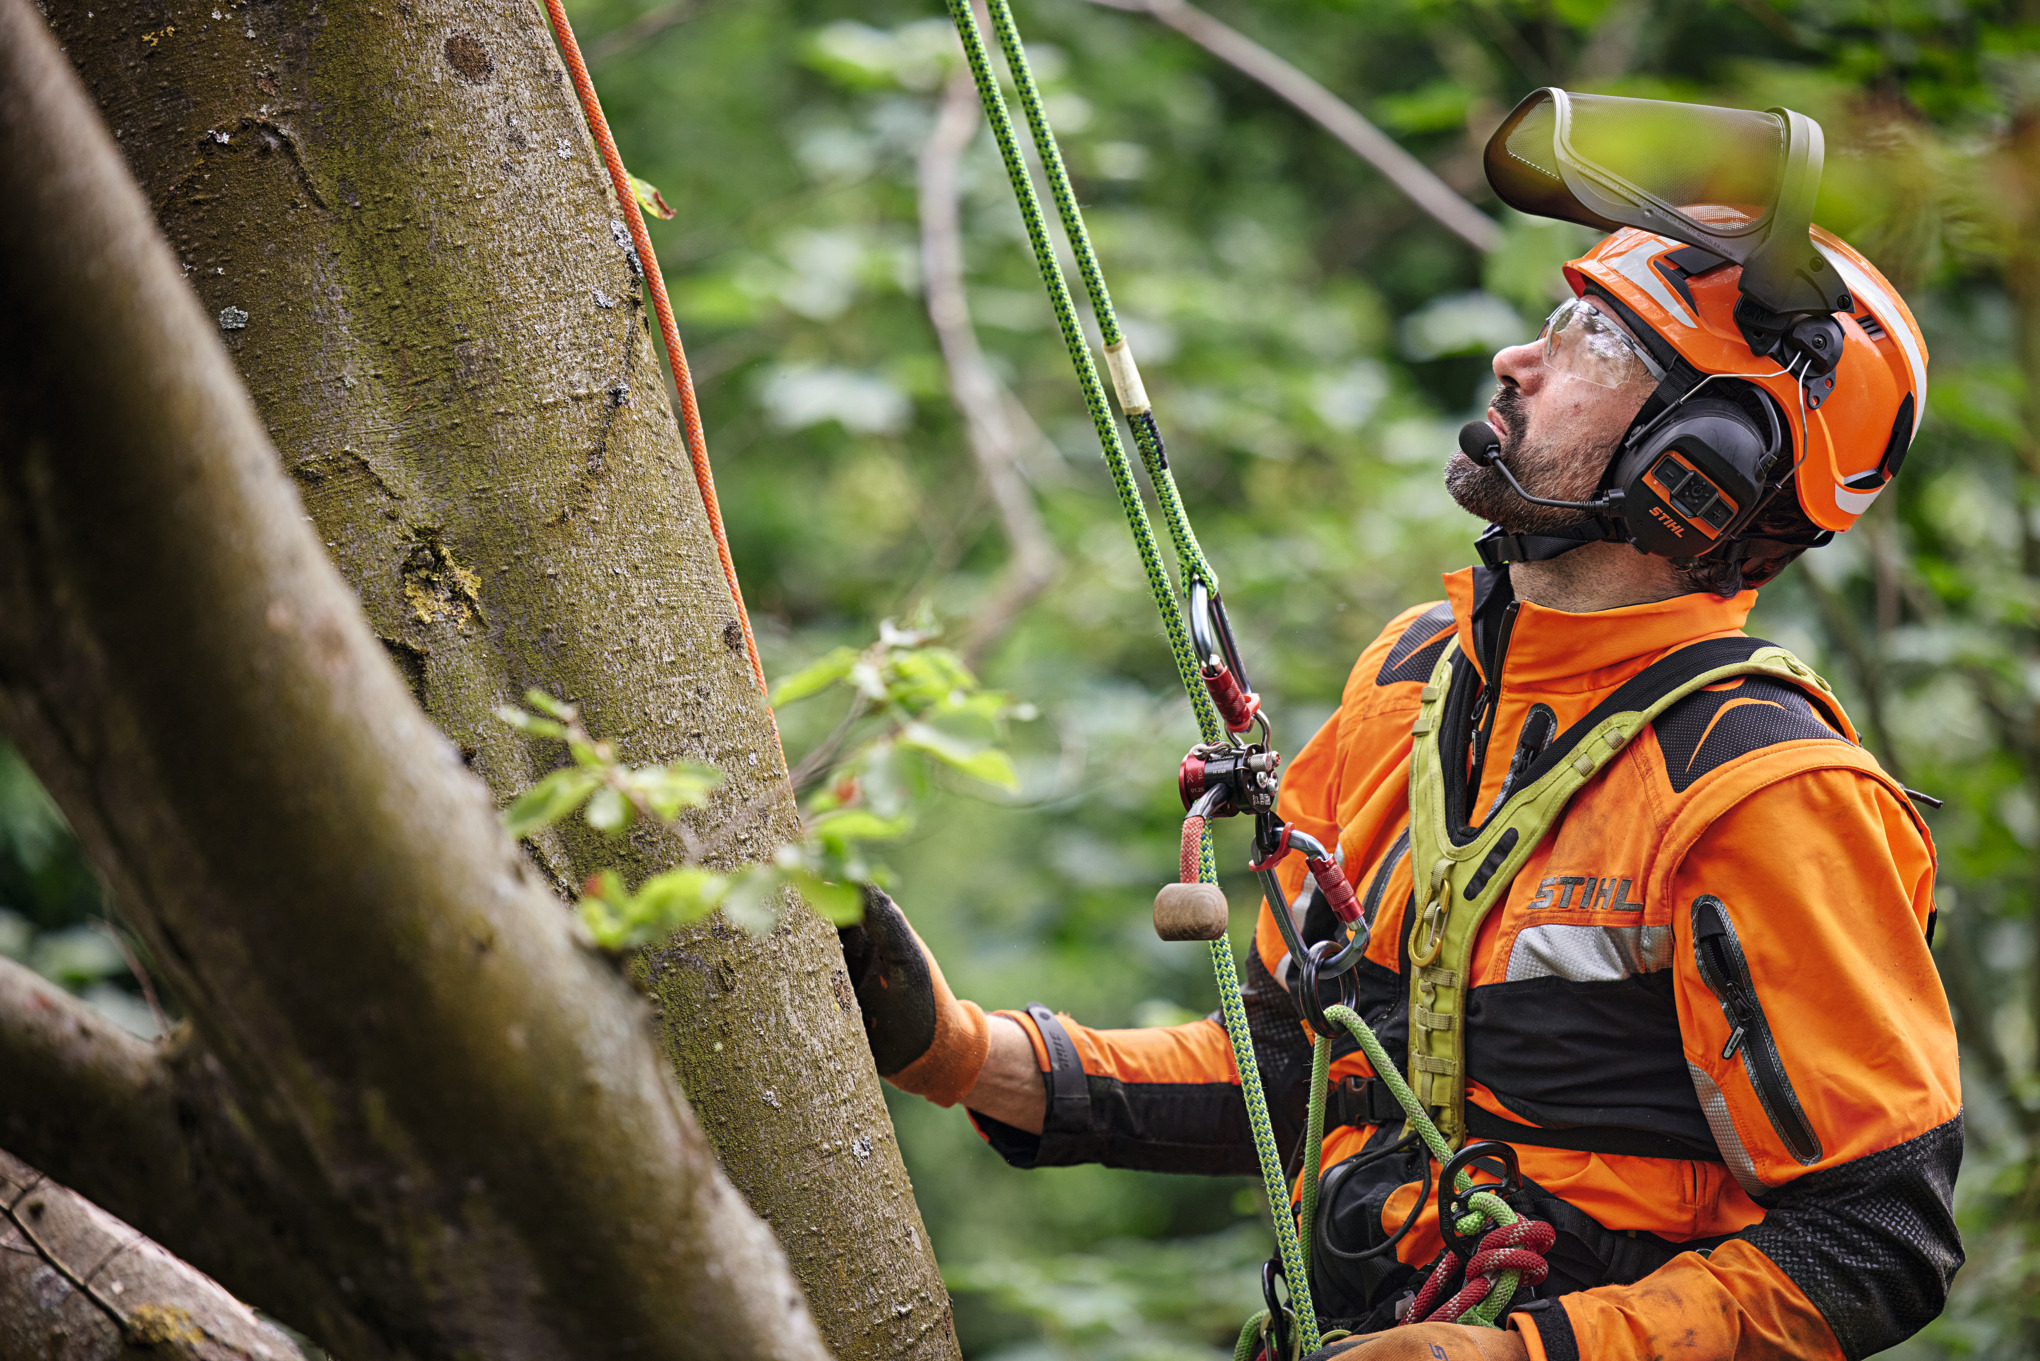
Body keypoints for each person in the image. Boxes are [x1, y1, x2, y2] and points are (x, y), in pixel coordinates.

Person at [838, 158, 1959, 1360]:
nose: (1518, 360)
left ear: (1702, 462)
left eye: (1594, 338)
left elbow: (1877, 1235)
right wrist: (974, 1056)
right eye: (1555, 317)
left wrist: (1533, 1352)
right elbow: (1299, 1069)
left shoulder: (1764, 791)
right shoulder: (1420, 681)